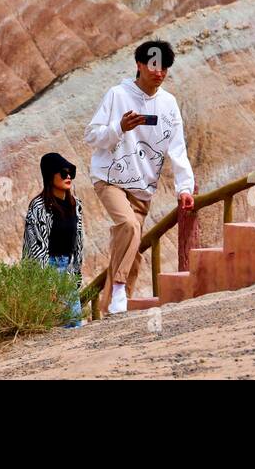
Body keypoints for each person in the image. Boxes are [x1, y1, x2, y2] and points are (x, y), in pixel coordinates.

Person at [85, 39, 194, 314]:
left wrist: (185, 188)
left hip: (142, 187)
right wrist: (118, 127)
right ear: (139, 65)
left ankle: (109, 313)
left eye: (165, 67)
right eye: (154, 65)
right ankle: (119, 291)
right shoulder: (117, 95)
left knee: (130, 252)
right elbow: (91, 135)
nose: (159, 72)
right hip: (109, 177)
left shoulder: (168, 104)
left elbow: (178, 148)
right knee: (130, 227)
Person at [22, 152, 85, 327]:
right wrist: (43, 284)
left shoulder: (76, 205)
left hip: (69, 271)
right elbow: (35, 247)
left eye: (70, 173)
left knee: (75, 324)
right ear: (50, 176)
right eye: (63, 173)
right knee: (55, 328)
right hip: (47, 269)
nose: (68, 177)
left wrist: (76, 274)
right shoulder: (38, 207)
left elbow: (78, 243)